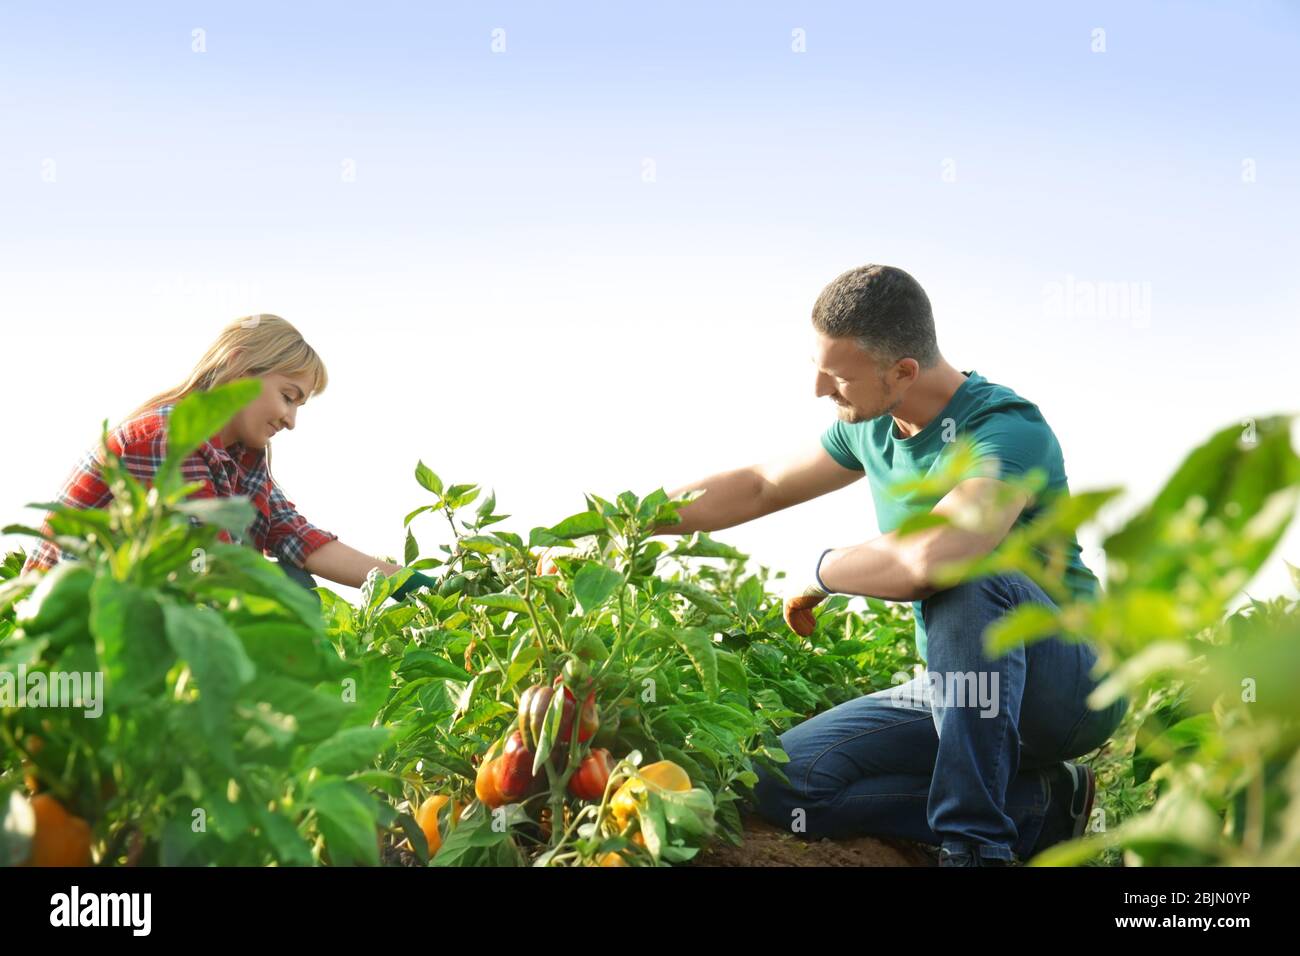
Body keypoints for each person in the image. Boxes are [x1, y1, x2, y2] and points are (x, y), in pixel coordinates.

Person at [652, 264, 1128, 866]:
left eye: (839, 376)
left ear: (903, 371)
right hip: (957, 690)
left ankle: (977, 847)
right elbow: (760, 485)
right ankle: (1042, 805)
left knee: (967, 575)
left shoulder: (1005, 431)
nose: (820, 390)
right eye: (819, 369)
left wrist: (823, 570)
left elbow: (935, 558)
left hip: (1069, 685)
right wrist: (627, 521)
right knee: (783, 780)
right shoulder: (871, 424)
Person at [21, 314, 436, 601]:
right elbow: (213, 569)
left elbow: (298, 539)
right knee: (284, 591)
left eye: (299, 406)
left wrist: (420, 587)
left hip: (131, 623)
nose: (290, 420)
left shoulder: (241, 458)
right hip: (66, 635)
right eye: (287, 397)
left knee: (291, 579)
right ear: (240, 366)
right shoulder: (170, 436)